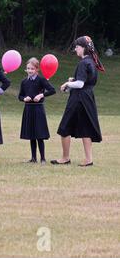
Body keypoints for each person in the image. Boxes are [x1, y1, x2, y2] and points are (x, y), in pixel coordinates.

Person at [52, 36, 104, 167]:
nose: (75, 49)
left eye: (77, 47)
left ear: (84, 48)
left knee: (64, 128)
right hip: (87, 98)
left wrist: (66, 84)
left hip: (78, 99)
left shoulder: (83, 63)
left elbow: (80, 84)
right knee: (86, 129)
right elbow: (85, 83)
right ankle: (88, 159)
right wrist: (71, 83)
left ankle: (65, 158)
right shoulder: (92, 61)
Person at [18, 58, 56, 164]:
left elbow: (52, 90)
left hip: (38, 109)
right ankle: (33, 158)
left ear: (37, 69)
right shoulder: (24, 82)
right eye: (28, 68)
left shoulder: (41, 80)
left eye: (32, 69)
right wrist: (24, 99)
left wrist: (41, 95)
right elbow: (20, 96)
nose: (30, 71)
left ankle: (43, 158)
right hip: (28, 109)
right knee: (31, 135)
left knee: (39, 134)